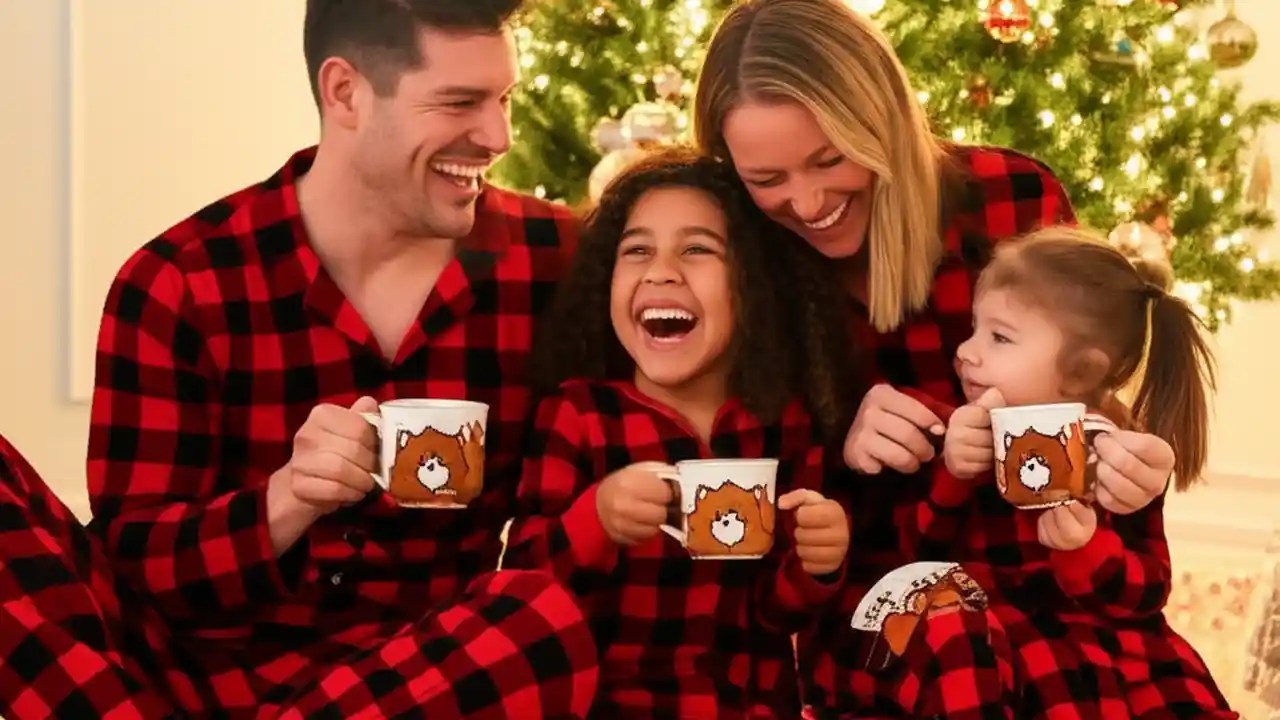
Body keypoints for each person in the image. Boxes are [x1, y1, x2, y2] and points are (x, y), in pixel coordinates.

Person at [0, 1, 599, 717]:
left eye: (503, 99)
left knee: (535, 618)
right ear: (344, 91)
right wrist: (283, 503)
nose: (497, 135)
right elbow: (138, 567)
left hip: (425, 679)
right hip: (183, 676)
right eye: (459, 103)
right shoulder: (181, 281)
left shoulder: (561, 265)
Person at [692, 0, 1179, 715]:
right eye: (768, 180)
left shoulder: (1010, 201)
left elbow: (1083, 385)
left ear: (882, 120)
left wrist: (1128, 462)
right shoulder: (742, 260)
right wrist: (838, 448)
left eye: (832, 158)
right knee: (959, 646)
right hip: (879, 597)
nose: (809, 199)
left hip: (1039, 573)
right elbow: (737, 481)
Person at [503, 147, 855, 717]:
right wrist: (595, 520)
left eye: (697, 249)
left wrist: (817, 564)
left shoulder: (782, 422)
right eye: (637, 250)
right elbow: (521, 590)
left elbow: (776, 613)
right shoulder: (581, 415)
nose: (661, 270)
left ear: (752, 284)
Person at [927, 227, 1233, 717]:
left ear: (1081, 373)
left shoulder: (1118, 453)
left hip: (1112, 646)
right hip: (997, 642)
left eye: (999, 337)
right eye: (973, 328)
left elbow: (1148, 590)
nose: (967, 350)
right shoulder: (958, 427)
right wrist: (952, 472)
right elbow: (917, 556)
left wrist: (1086, 551)